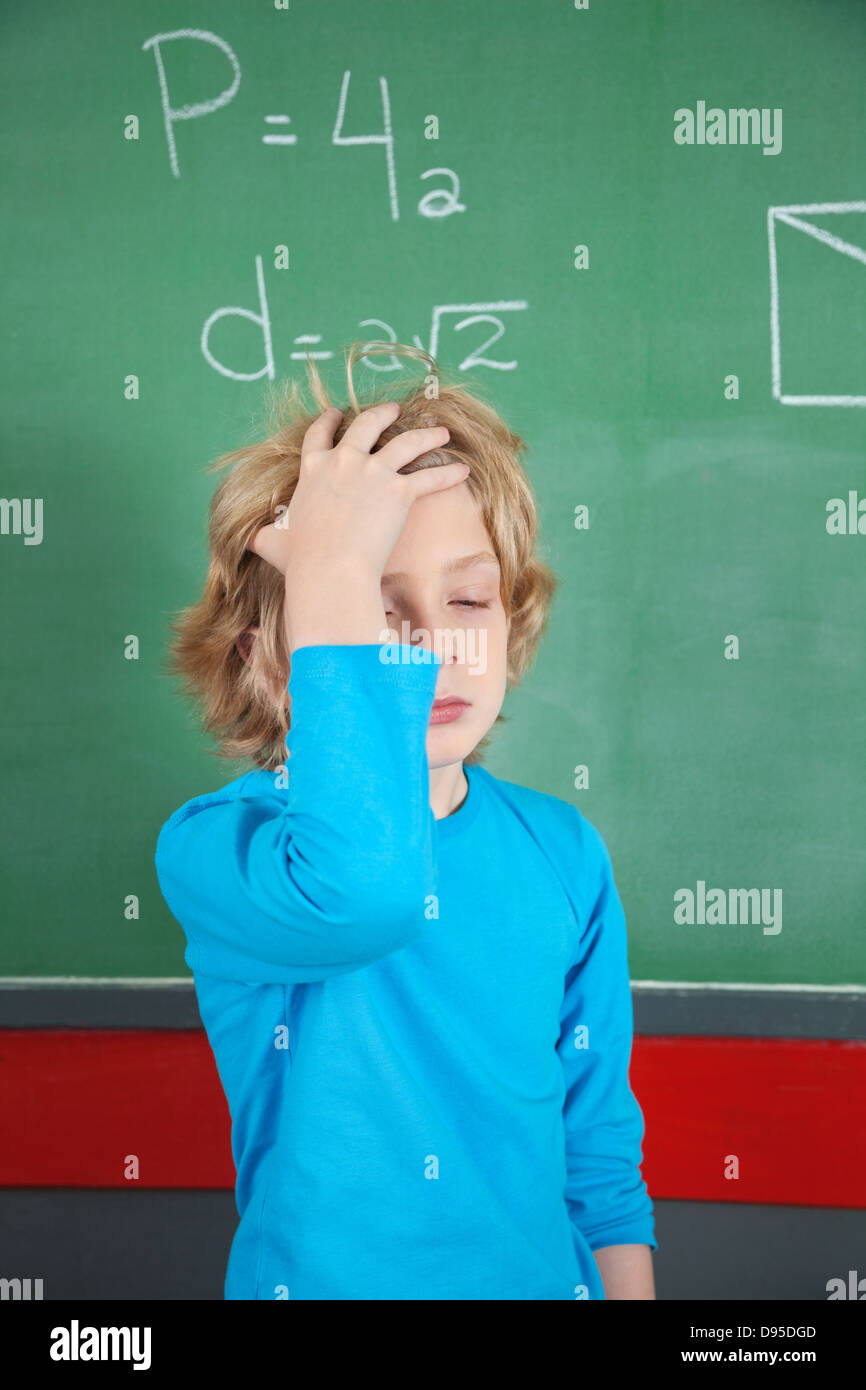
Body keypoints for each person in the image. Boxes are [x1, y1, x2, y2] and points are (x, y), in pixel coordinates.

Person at [155, 341, 657, 1299]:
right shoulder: (221, 849)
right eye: (371, 612)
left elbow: (596, 1152)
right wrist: (327, 562)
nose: (432, 644)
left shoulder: (563, 854)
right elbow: (365, 894)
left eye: (468, 598)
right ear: (272, 658)